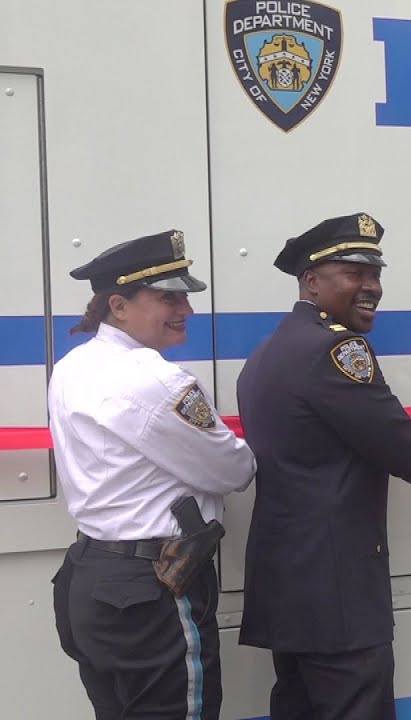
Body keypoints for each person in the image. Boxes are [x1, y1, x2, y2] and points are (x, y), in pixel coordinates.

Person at [237, 212, 411, 720]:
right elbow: (393, 437)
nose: (371, 287)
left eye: (375, 274)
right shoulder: (337, 348)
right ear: (311, 281)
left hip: (289, 581)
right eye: (355, 273)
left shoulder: (268, 352)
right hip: (336, 591)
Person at [48, 230, 256, 719]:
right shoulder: (157, 379)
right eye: (168, 297)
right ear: (118, 305)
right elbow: (234, 468)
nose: (184, 308)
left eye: (185, 295)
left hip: (92, 577)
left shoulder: (73, 365)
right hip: (152, 589)